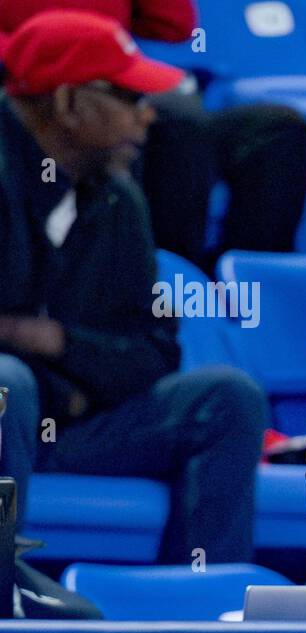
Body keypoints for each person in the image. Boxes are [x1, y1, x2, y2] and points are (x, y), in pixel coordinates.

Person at [0, 10, 267, 563]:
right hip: (14, 413)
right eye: (128, 97)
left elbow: (153, 354)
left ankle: (201, 617)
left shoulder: (119, 199)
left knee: (226, 397)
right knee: (8, 385)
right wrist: (61, 374)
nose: (147, 117)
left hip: (77, 425)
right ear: (69, 101)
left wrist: (56, 342)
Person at [0, 0, 306, 272]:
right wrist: (45, 54)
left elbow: (174, 24)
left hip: (117, 74)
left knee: (276, 130)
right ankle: (169, 276)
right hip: (46, 83)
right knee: (177, 117)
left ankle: (246, 292)